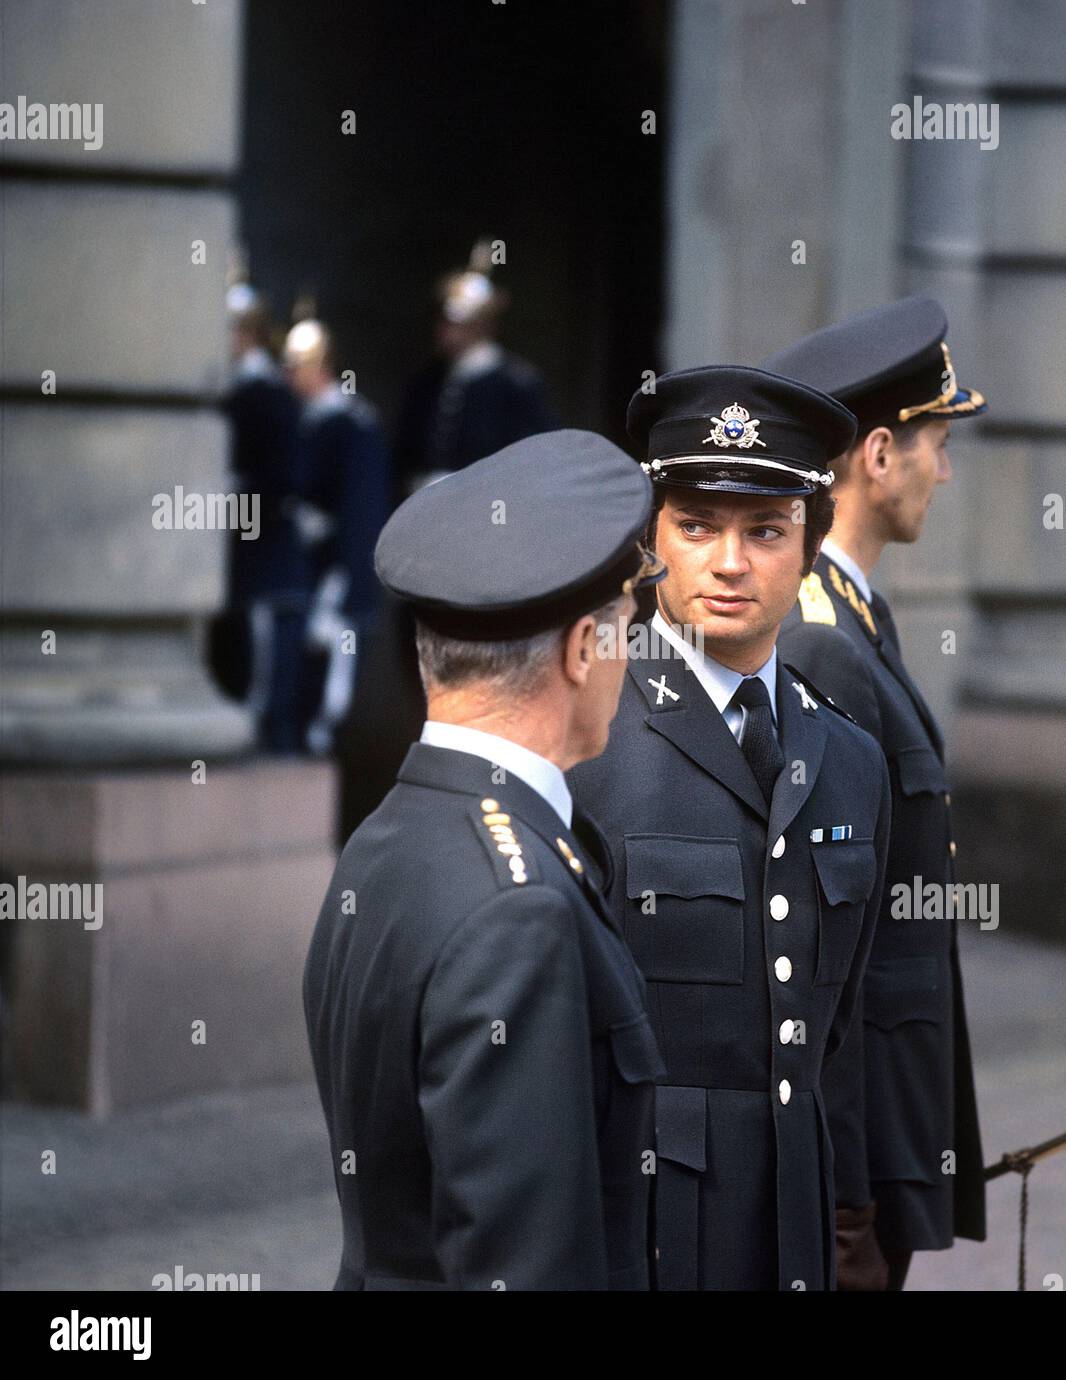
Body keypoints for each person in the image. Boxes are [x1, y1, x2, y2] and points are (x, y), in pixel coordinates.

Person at [303, 430, 668, 1289]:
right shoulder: (518, 907)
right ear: (583, 650)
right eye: (623, 633)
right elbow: (525, 1261)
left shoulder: (386, 835)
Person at [567, 367, 892, 1291]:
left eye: (766, 531)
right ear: (650, 543)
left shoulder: (850, 759)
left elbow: (841, 1032)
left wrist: (851, 1219)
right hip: (642, 1240)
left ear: (812, 544)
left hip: (793, 1232)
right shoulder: (586, 742)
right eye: (697, 527)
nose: (730, 563)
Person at [766, 295, 988, 1290]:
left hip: (886, 1112)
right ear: (878, 455)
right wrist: (845, 1184)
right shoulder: (820, 637)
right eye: (937, 441)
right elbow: (817, 948)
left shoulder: (852, 612)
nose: (945, 470)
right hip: (851, 1143)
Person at [283, 314, 392, 755]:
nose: (289, 374)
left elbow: (361, 515)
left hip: (333, 578)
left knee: (327, 700)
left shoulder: (353, 425)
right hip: (299, 574)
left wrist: (346, 588)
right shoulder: (302, 419)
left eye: (297, 365)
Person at [215, 279, 309, 752]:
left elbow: (283, 481)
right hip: (241, 573)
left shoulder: (267, 394)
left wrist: (227, 491)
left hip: (267, 572)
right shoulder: (233, 390)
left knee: (264, 699)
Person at [394, 242, 558, 493]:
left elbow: (532, 462)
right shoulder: (428, 381)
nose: (445, 331)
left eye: (457, 324)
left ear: (482, 325)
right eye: (444, 322)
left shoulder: (516, 383)